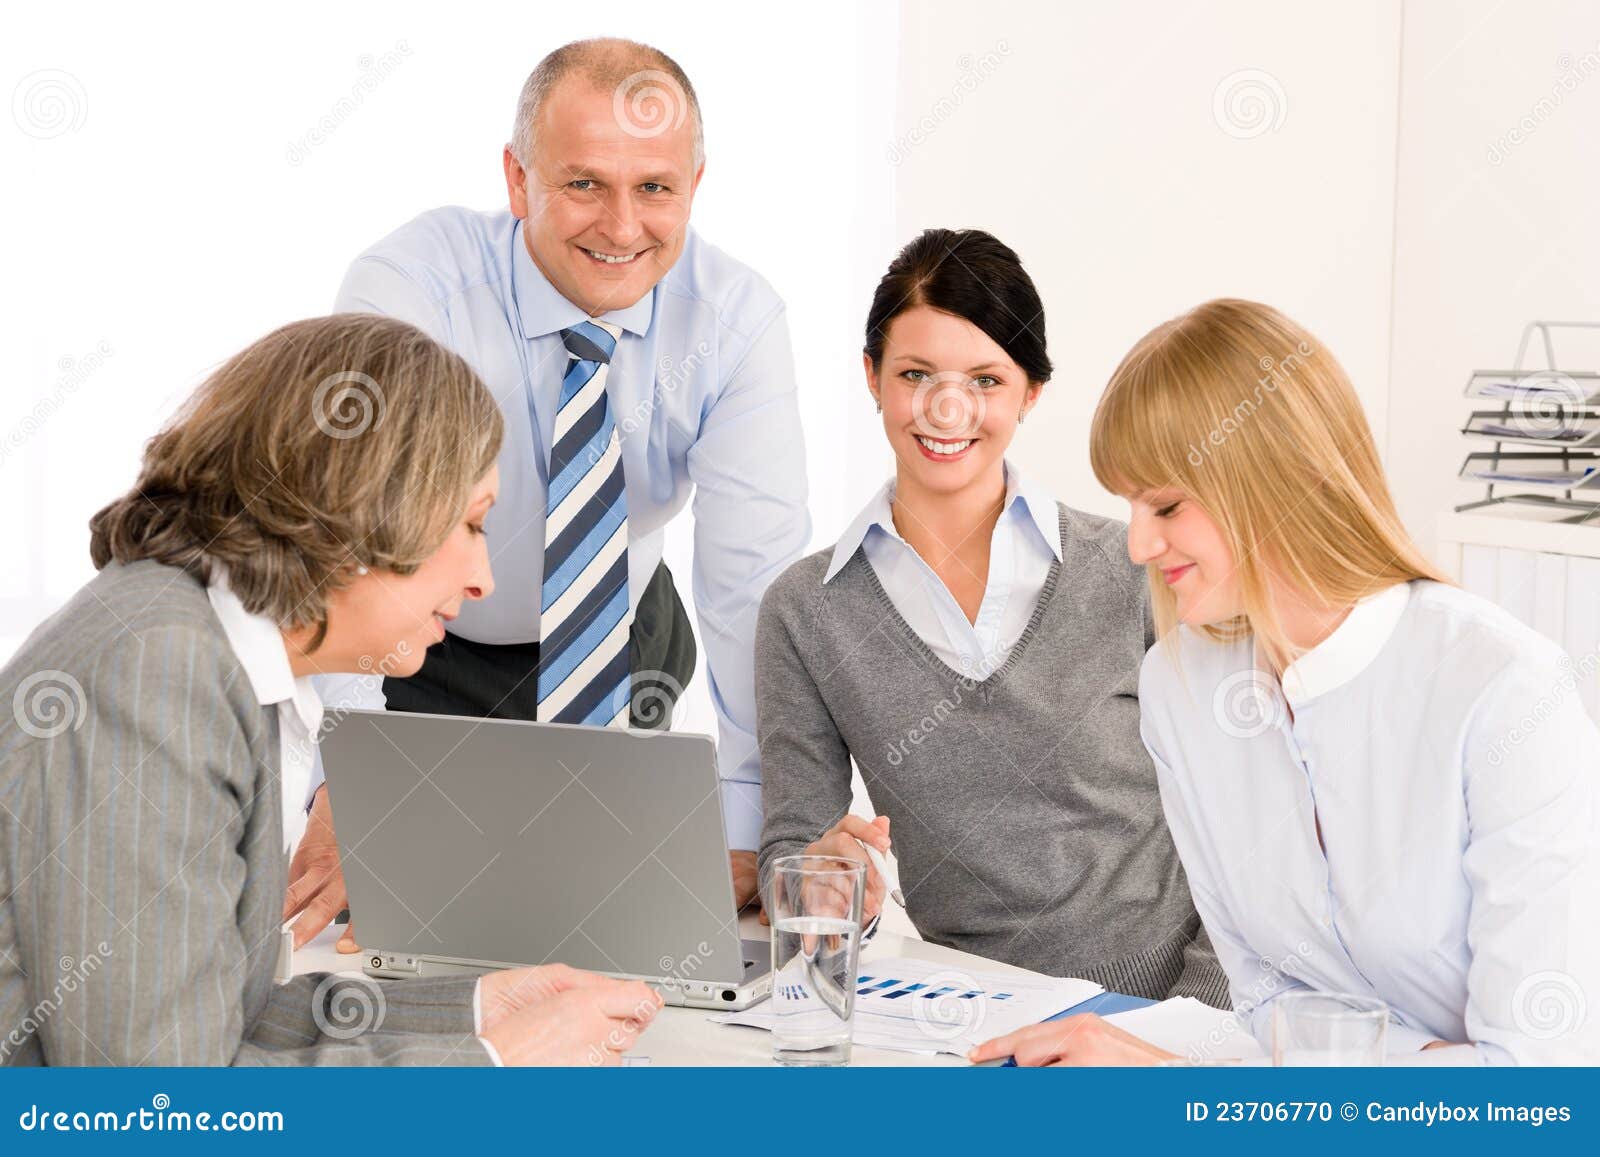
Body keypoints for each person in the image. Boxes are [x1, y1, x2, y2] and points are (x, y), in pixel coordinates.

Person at [0, 314, 660, 1064]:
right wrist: (493, 1065)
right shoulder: (158, 669)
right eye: (472, 524)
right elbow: (157, 1108)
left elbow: (211, 1013)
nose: (484, 579)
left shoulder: (207, 649)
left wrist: (475, 1008)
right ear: (363, 505)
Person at [973, 298, 1600, 1066]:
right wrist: (1431, 1057)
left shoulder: (1505, 692)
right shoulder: (1178, 689)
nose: (1137, 543)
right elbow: (1264, 1002)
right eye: (1129, 506)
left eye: (1166, 503)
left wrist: (1194, 1085)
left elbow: (1533, 1087)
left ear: (1283, 483)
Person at [287, 37, 810, 952]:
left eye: (654, 187)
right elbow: (350, 543)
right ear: (518, 179)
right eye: (583, 184)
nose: (621, 225)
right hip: (425, 638)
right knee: (414, 928)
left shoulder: (736, 321)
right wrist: (345, 777)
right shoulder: (411, 289)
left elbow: (752, 591)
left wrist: (761, 826)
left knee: (609, 917)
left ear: (695, 184)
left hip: (621, 630)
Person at [754, 229, 1228, 1004]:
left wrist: (1186, 1029)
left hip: (1158, 1013)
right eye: (915, 374)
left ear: (1030, 393)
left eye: (985, 379)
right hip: (968, 1019)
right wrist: (821, 886)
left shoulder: (1139, 569)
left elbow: (1238, 822)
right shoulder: (806, 612)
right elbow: (792, 853)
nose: (948, 408)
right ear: (871, 377)